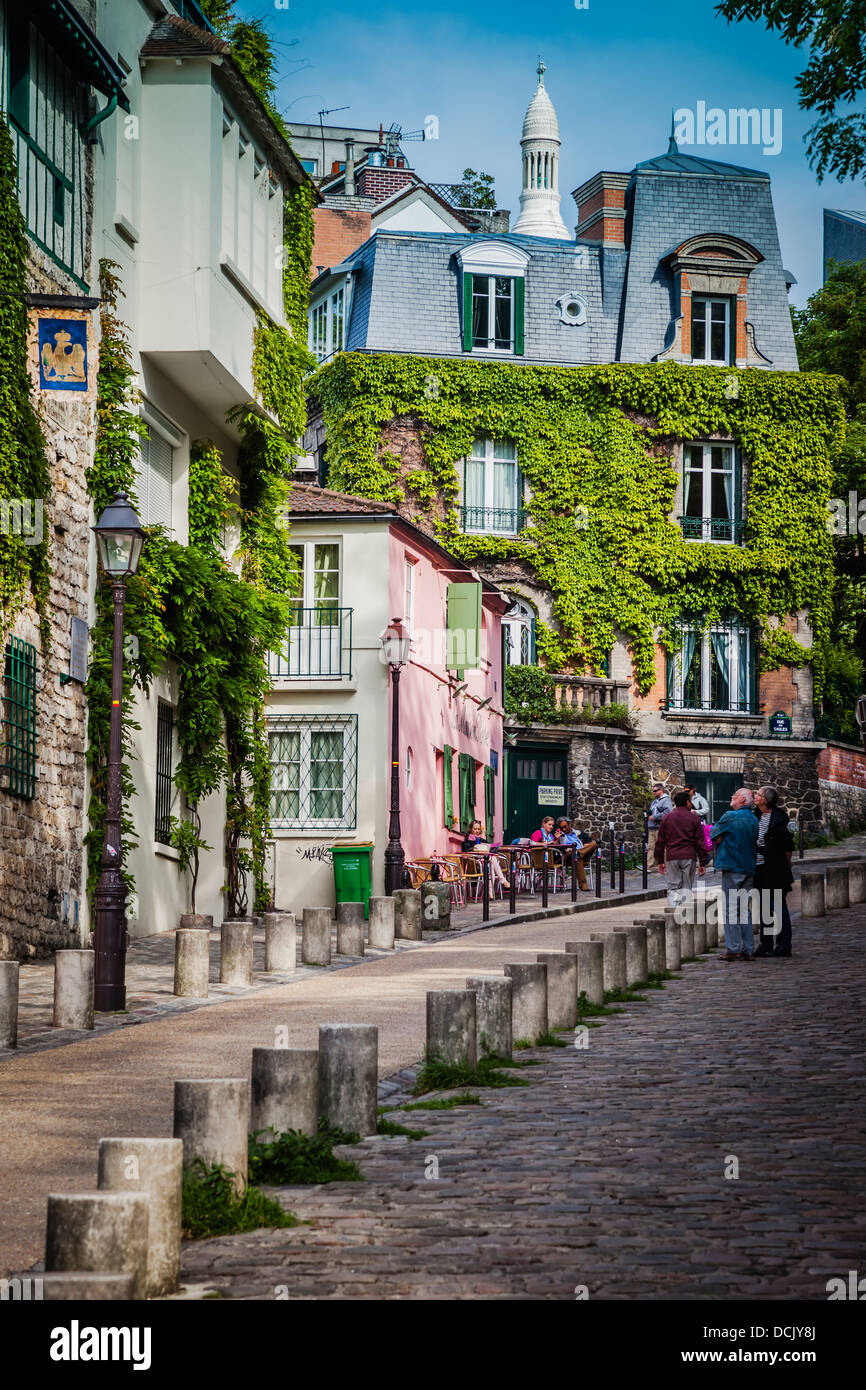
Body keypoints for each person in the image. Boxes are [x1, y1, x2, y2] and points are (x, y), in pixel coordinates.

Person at [709, 788, 759, 961]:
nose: (732, 796)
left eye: (735, 795)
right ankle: (749, 948)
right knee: (745, 909)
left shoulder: (730, 816)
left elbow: (713, 833)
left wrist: (723, 836)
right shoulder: (753, 819)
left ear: (743, 800)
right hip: (748, 866)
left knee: (731, 909)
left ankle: (733, 948)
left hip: (732, 865)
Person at [753, 786, 795, 957]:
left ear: (766, 799)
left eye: (758, 794)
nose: (755, 796)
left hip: (775, 868)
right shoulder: (756, 815)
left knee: (778, 906)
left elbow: (787, 845)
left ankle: (784, 945)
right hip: (759, 867)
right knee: (764, 907)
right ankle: (766, 943)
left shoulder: (779, 818)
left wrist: (787, 864)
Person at [654, 791, 708, 908]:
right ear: (687, 802)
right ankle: (685, 913)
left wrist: (660, 861)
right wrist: (703, 862)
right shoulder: (694, 818)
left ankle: (673, 912)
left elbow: (660, 841)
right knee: (686, 887)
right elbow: (699, 842)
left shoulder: (667, 817)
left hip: (672, 856)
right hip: (689, 855)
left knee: (673, 887)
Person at [461, 819, 508, 890]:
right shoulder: (467, 841)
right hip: (475, 865)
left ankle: (490, 892)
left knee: (491, 865)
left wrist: (491, 847)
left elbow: (491, 849)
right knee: (492, 861)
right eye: (475, 829)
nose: (477, 831)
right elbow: (466, 853)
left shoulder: (482, 840)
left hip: (485, 862)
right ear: (471, 829)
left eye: (478, 829)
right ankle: (502, 881)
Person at [555, 817, 598, 891]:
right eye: (561, 828)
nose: (563, 829)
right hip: (569, 856)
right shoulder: (560, 835)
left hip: (583, 854)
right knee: (577, 858)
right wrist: (557, 839)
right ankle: (583, 885)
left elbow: (588, 844)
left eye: (565, 827)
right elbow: (557, 848)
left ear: (569, 824)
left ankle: (578, 853)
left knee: (594, 843)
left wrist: (582, 848)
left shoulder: (579, 833)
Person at [647, 783, 673, 860]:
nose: (653, 792)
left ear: (661, 790)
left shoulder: (666, 800)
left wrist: (654, 817)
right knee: (651, 848)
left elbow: (668, 813)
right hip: (652, 828)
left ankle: (666, 864)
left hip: (660, 828)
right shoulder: (654, 802)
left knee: (663, 848)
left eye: (655, 791)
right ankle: (650, 865)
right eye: (653, 791)